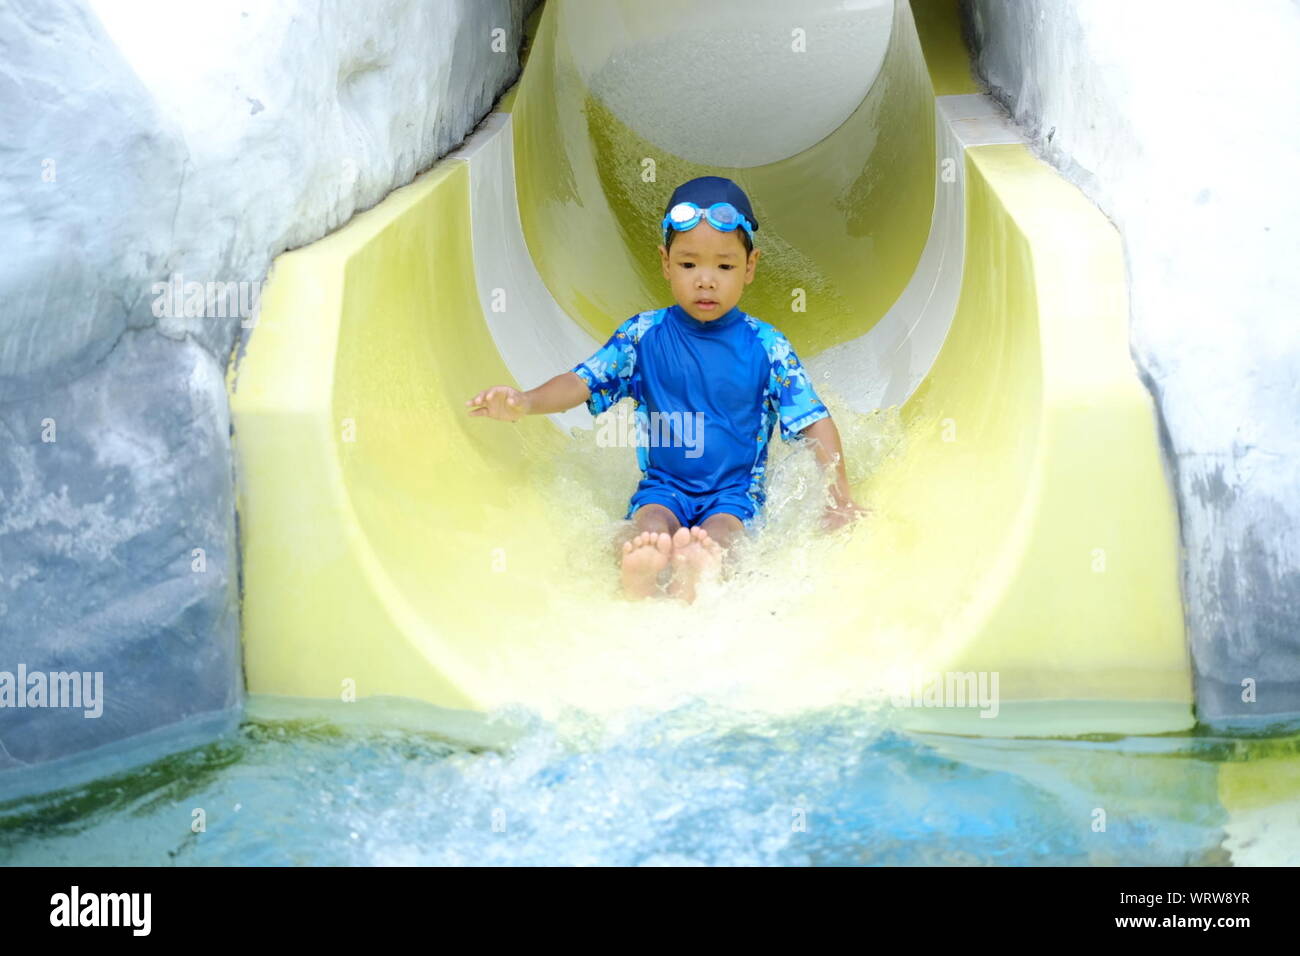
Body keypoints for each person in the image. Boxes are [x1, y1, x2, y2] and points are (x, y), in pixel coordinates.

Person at [467, 176, 865, 602]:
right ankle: (642, 567)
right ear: (665, 262)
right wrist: (526, 401)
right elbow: (580, 381)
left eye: (724, 266)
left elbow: (813, 422)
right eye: (689, 264)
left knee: (724, 534)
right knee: (649, 525)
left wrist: (839, 500)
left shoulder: (767, 347)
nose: (706, 280)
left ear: (750, 267)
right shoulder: (642, 336)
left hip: (734, 494)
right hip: (663, 486)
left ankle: (697, 569)